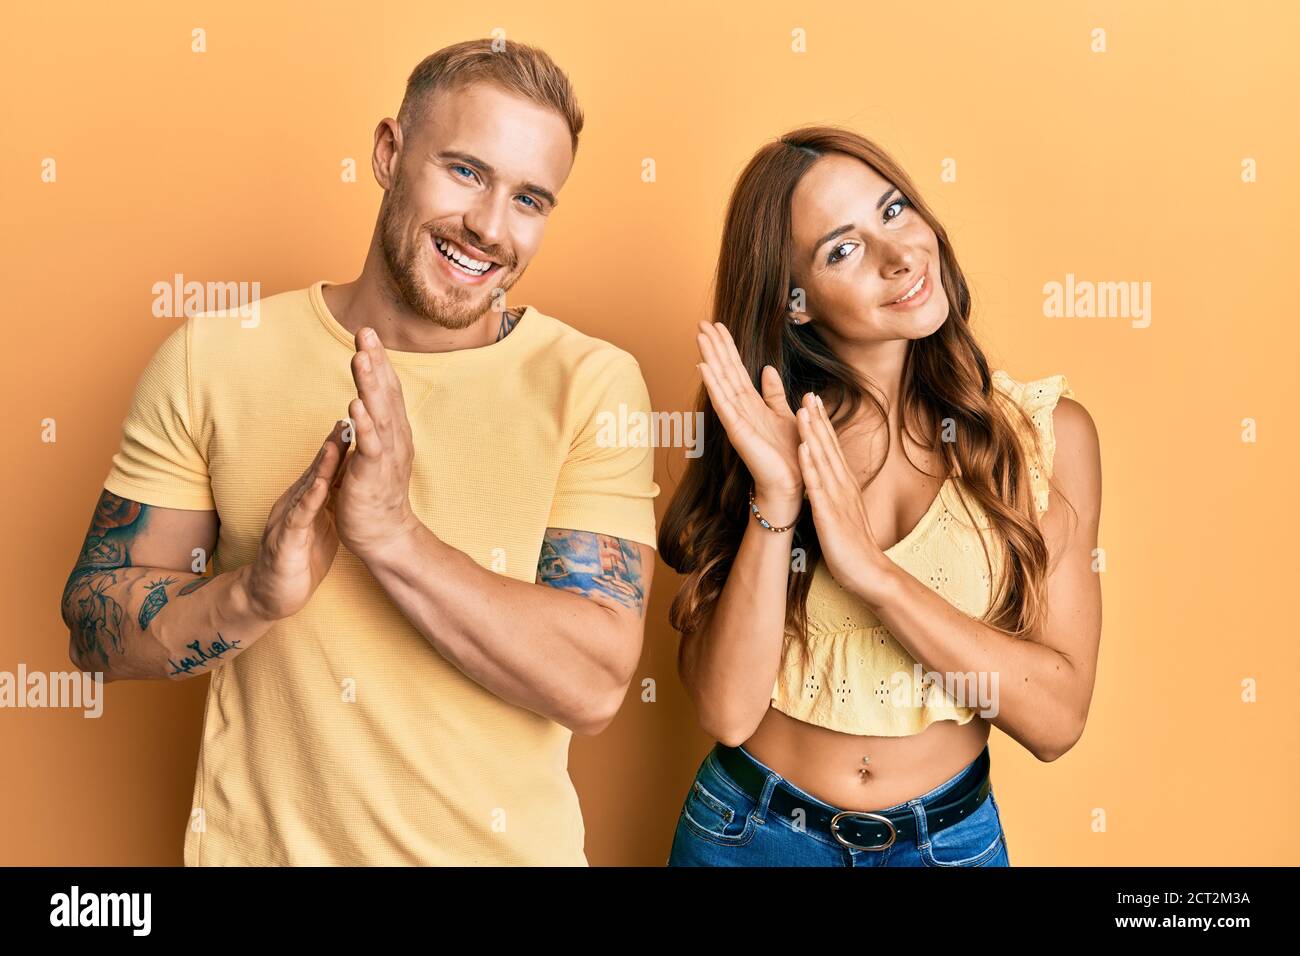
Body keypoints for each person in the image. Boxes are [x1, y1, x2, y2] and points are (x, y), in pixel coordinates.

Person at [59, 38, 659, 866]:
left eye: (530, 199)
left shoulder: (590, 385)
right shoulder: (215, 357)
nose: (489, 227)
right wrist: (252, 597)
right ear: (388, 153)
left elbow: (592, 686)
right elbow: (93, 634)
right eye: (465, 172)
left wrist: (392, 537)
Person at [659, 126, 1102, 866]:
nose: (899, 257)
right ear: (795, 302)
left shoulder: (1044, 436)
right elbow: (726, 712)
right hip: (750, 834)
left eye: (894, 211)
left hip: (948, 842)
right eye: (844, 248)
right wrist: (777, 495)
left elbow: (1057, 719)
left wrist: (878, 578)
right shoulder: (764, 434)